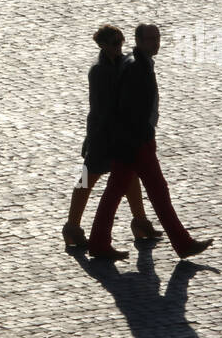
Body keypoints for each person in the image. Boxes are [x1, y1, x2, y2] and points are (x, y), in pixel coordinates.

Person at [88, 25, 213, 261]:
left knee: (123, 192)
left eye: (157, 38)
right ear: (139, 41)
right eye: (151, 39)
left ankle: (99, 243)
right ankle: (182, 243)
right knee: (154, 192)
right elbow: (128, 108)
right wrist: (142, 134)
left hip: (133, 142)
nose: (156, 43)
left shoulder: (137, 63)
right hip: (136, 144)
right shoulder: (136, 67)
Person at [62, 25, 162, 250]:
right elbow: (101, 109)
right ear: (103, 45)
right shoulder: (99, 71)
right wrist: (95, 137)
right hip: (101, 136)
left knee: (129, 176)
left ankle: (140, 221)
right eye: (115, 43)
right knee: (87, 180)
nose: (120, 47)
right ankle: (72, 227)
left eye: (121, 42)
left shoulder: (121, 64)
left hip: (114, 135)